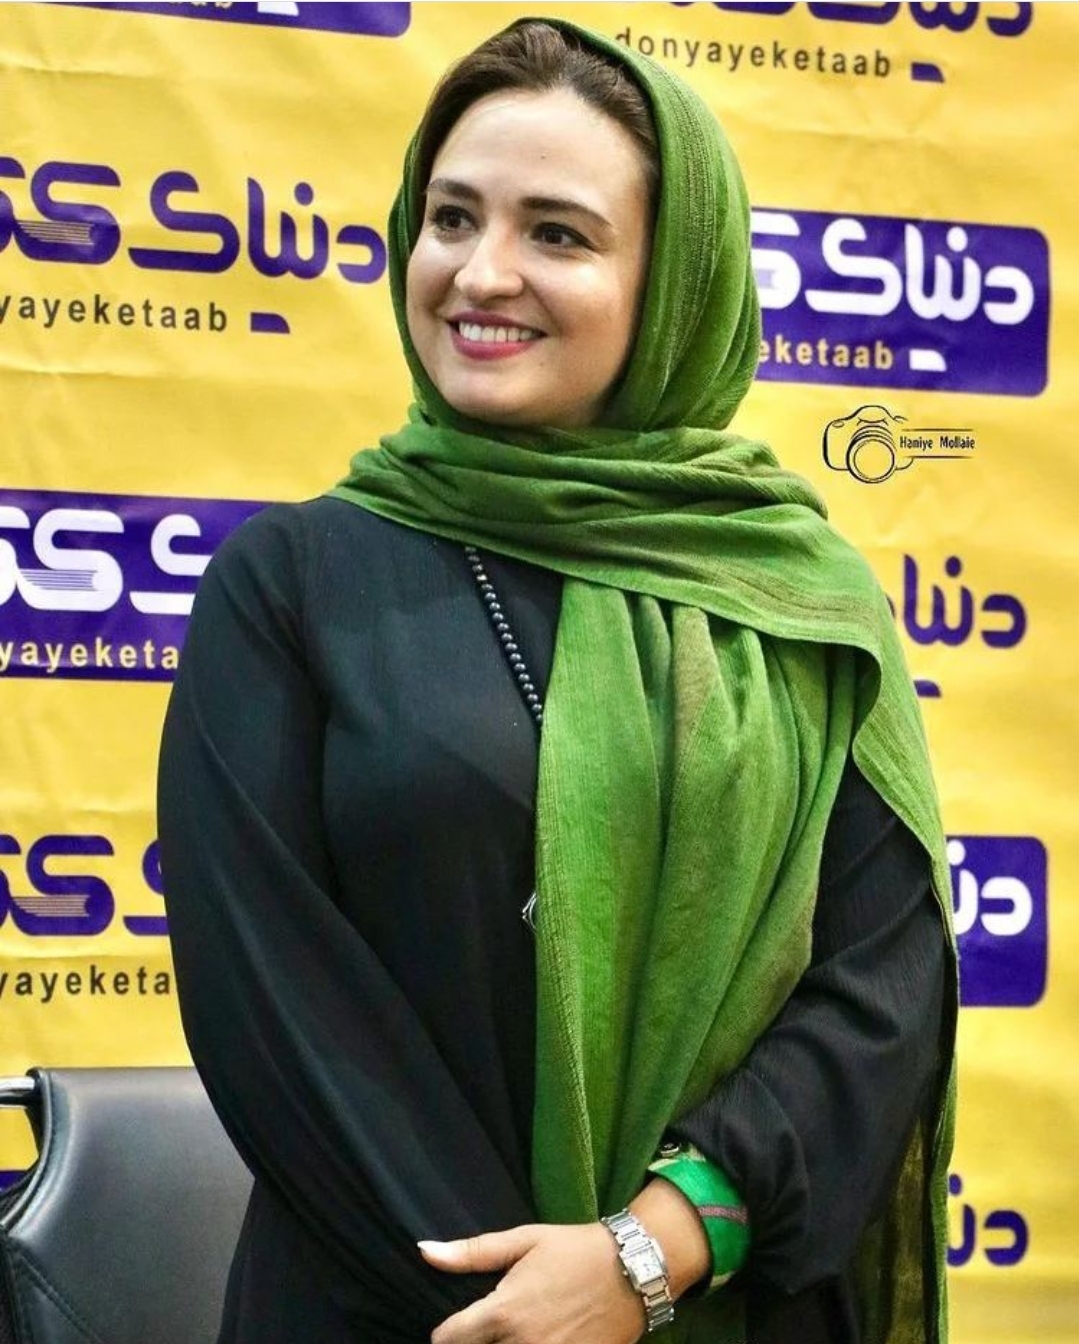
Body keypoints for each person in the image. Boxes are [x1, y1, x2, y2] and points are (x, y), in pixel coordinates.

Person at [158, 18, 956, 1344]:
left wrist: (653, 1254)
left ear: (674, 284)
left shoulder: (798, 601)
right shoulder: (293, 584)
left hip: (722, 1298)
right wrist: (517, 1311)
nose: (482, 273)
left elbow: (885, 985)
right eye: (451, 218)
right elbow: (279, 1015)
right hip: (393, 1312)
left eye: (559, 234)